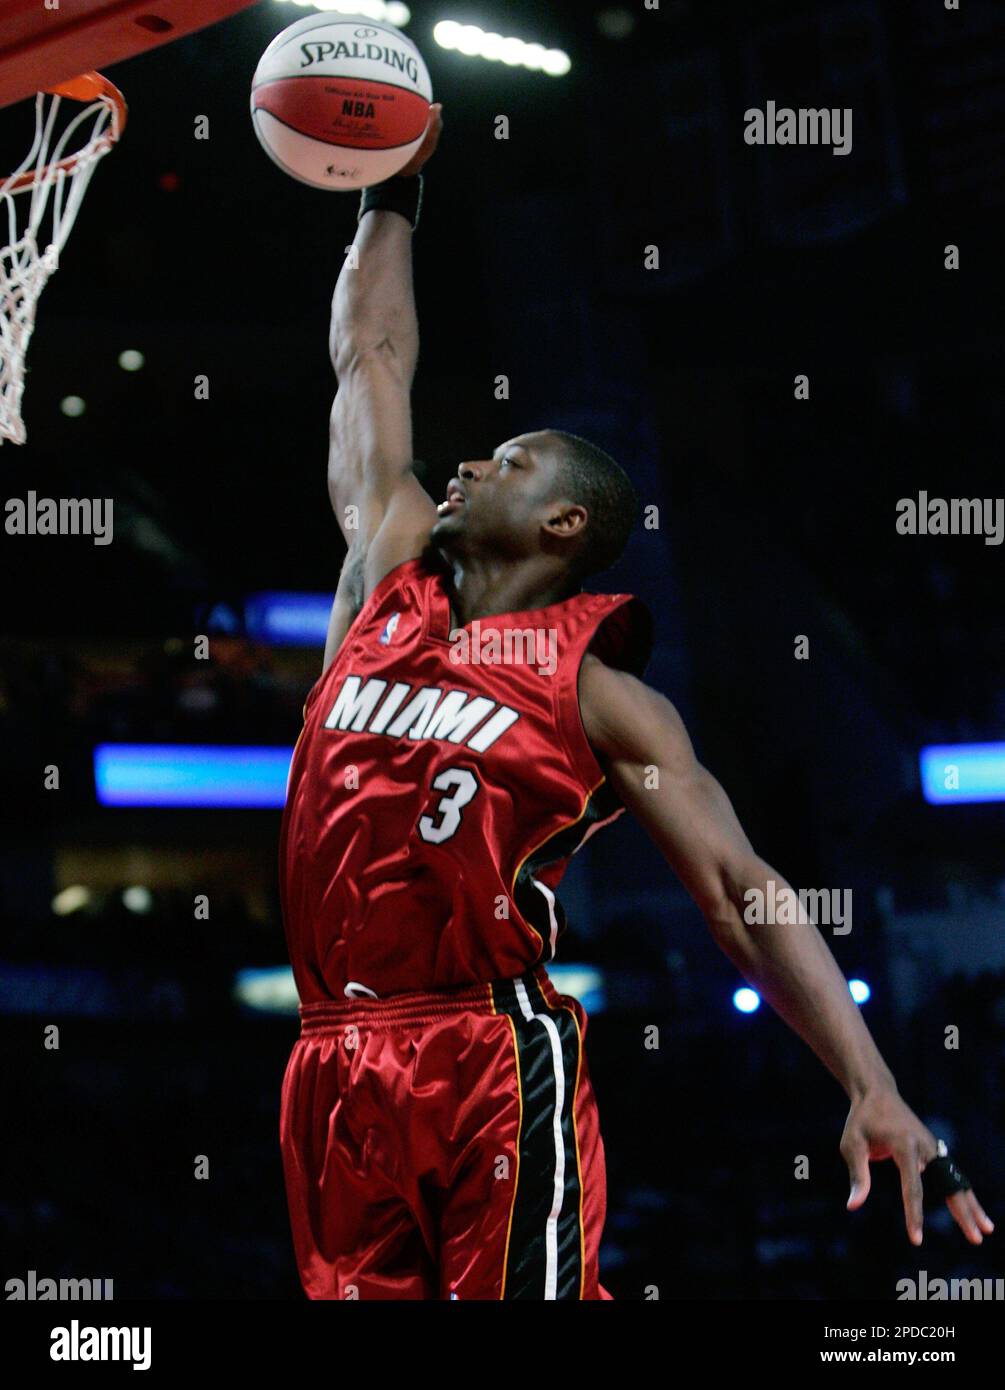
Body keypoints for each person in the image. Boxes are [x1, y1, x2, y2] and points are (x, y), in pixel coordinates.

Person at [277, 106, 992, 1300]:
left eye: (506, 460)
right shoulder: (380, 579)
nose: (463, 464)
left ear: (566, 523)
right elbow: (371, 359)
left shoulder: (605, 698)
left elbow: (741, 889)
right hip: (330, 1063)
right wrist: (388, 193)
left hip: (488, 1054)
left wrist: (868, 1077)